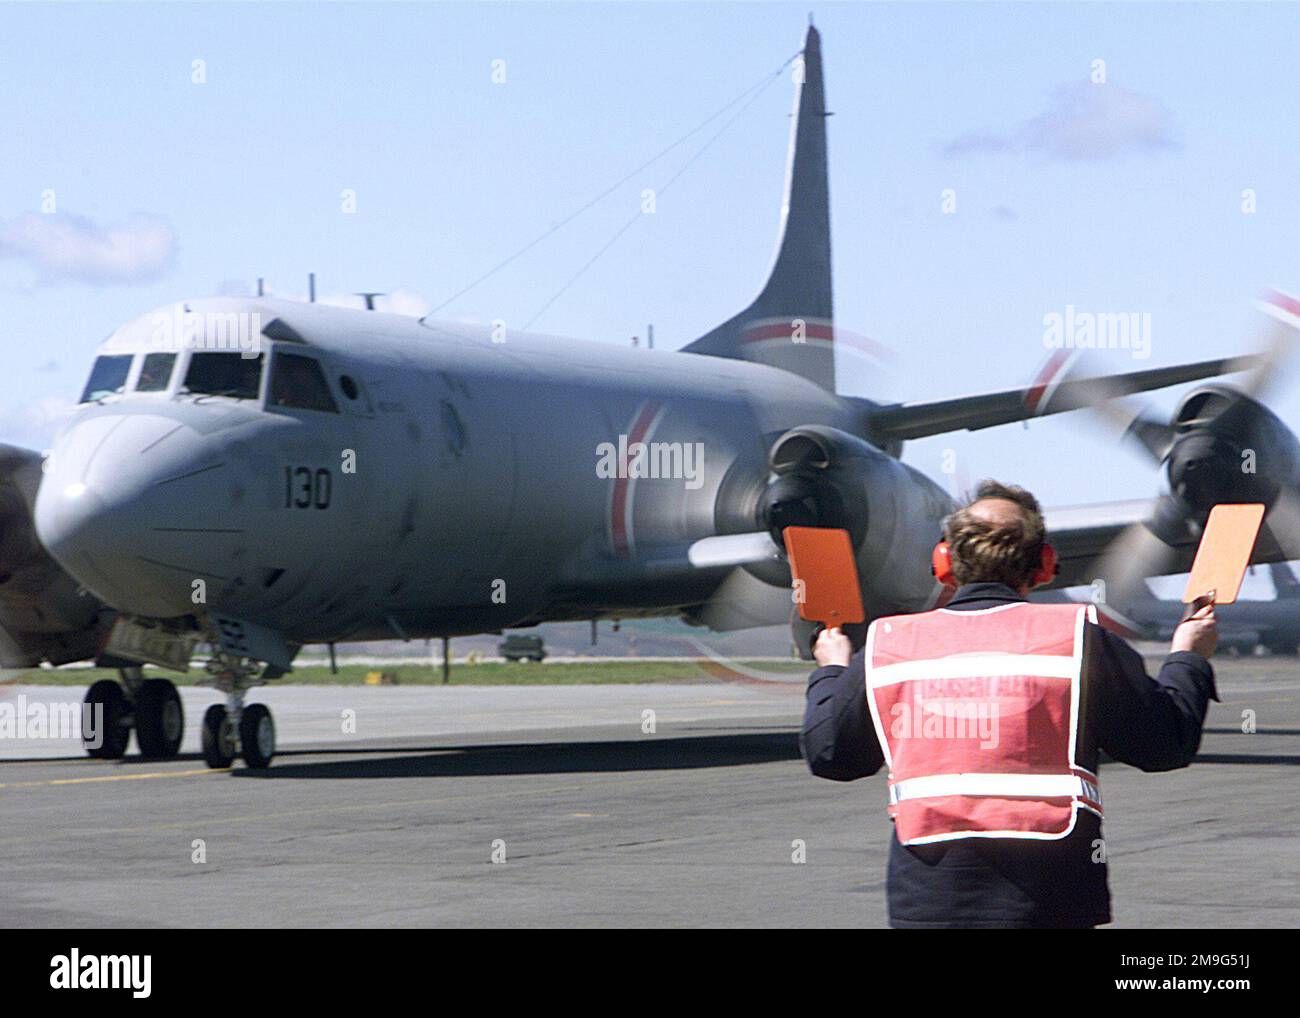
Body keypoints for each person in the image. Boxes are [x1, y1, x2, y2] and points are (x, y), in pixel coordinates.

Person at [802, 480, 1218, 928]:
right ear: (1044, 563)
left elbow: (831, 755)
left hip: (927, 907)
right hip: (1051, 905)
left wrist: (831, 670)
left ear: (944, 563)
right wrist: (1188, 657)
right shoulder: (1078, 640)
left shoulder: (889, 643)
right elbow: (1165, 745)